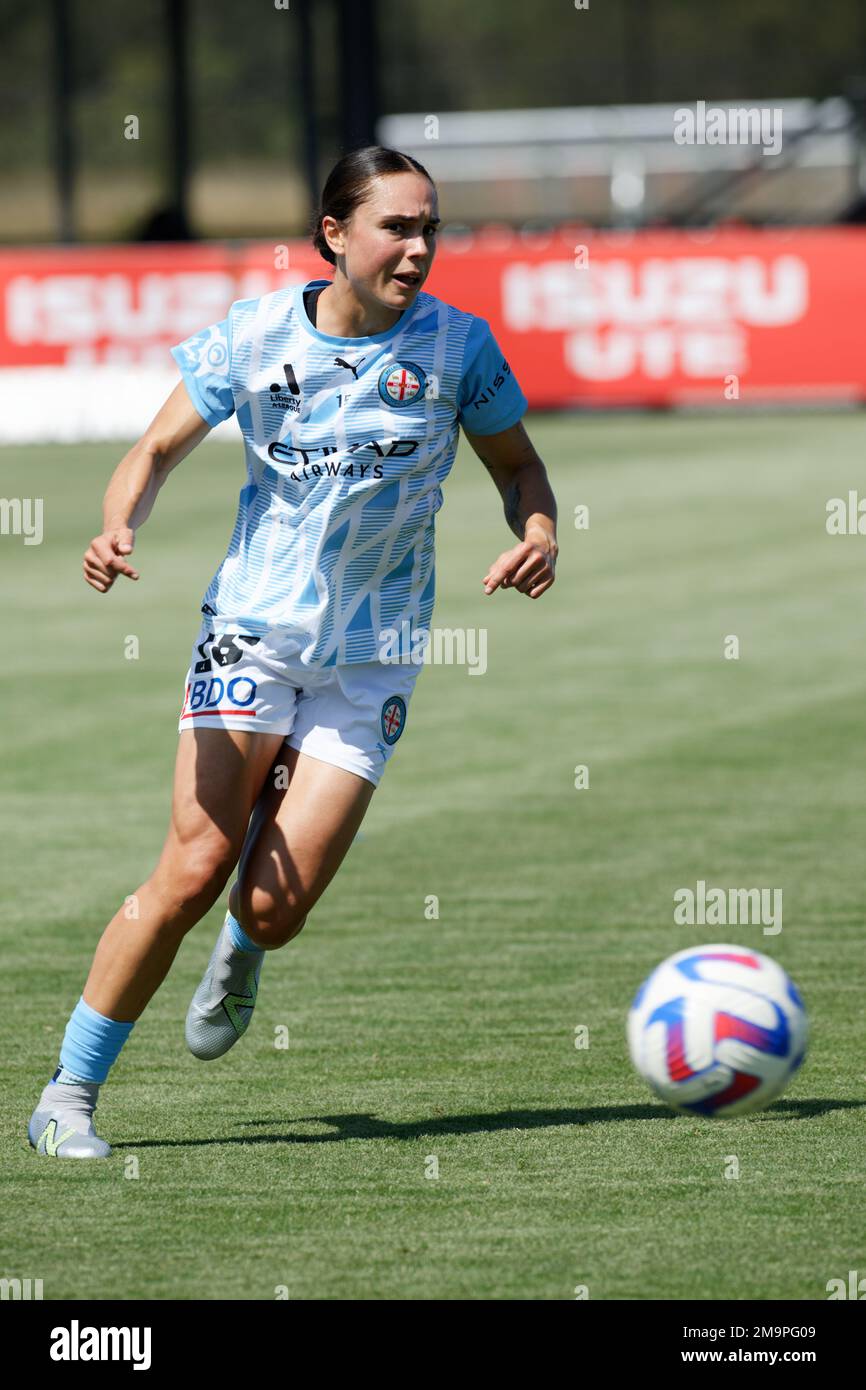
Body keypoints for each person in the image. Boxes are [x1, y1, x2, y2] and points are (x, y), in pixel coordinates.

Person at [28, 144, 558, 1158]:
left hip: (373, 655)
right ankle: (68, 1096)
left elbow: (520, 466)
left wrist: (535, 532)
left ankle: (245, 946)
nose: (417, 247)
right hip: (251, 631)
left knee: (269, 910)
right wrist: (117, 525)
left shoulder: (458, 348)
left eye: (428, 228)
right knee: (192, 866)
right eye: (396, 227)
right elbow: (152, 450)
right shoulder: (259, 333)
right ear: (334, 236)